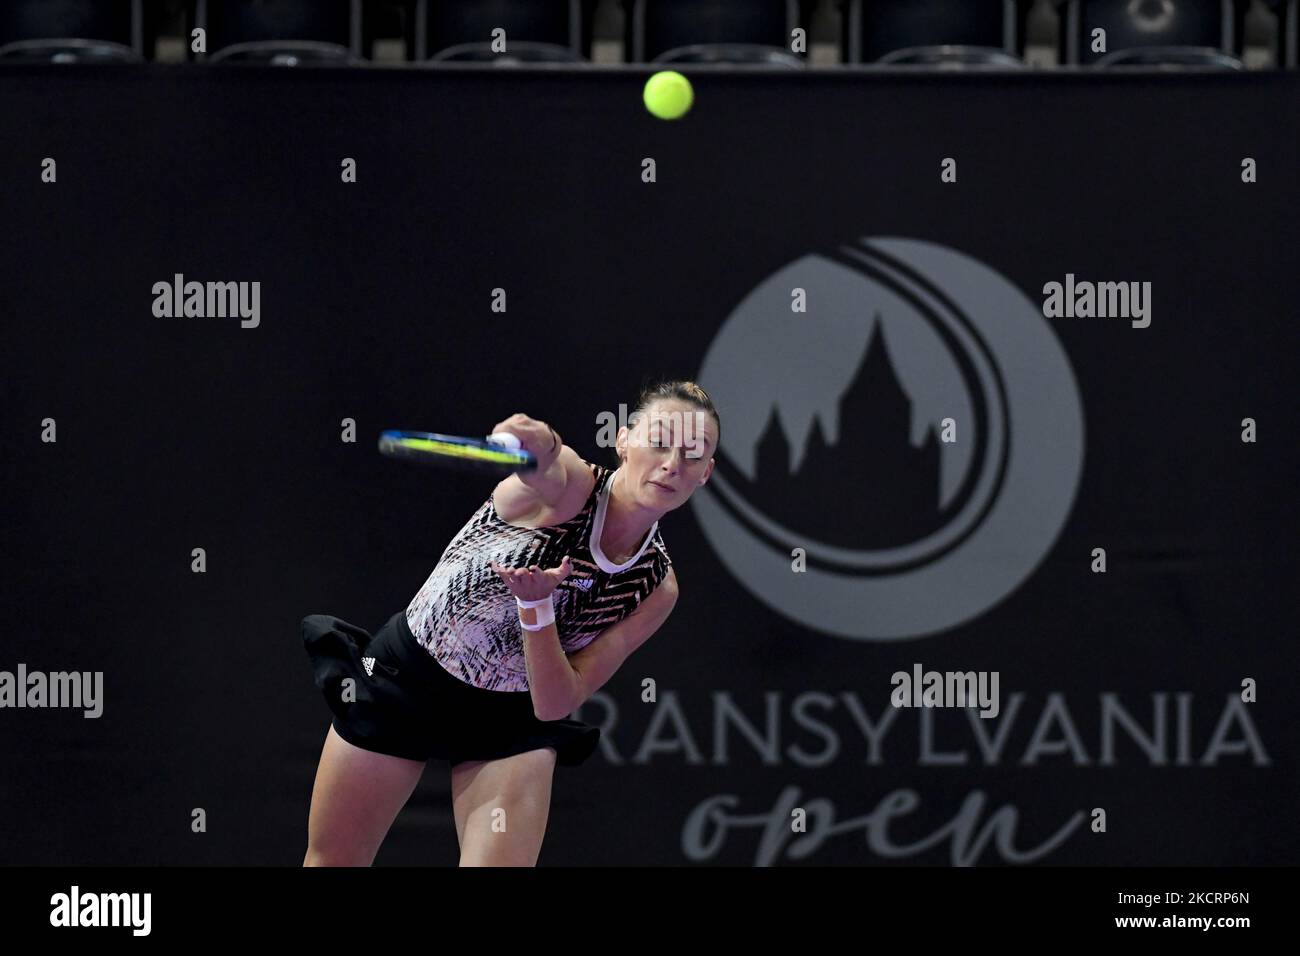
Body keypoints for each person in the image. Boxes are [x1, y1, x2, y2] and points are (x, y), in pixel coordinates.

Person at [301, 379, 720, 866]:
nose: (672, 464)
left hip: (507, 718)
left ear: (706, 472)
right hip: (407, 679)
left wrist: (536, 611)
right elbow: (547, 463)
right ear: (624, 440)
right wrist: (534, 439)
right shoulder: (569, 490)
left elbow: (556, 703)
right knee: (333, 860)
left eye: (692, 453)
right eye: (659, 441)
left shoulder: (654, 587)